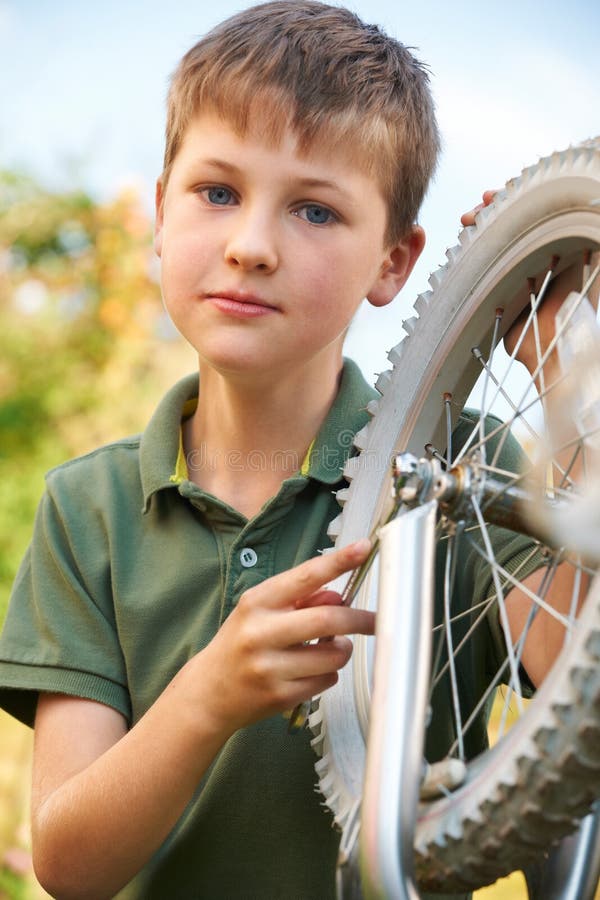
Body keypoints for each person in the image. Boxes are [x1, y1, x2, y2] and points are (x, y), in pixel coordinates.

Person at [0, 2, 584, 898]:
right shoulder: (90, 508)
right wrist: (209, 696)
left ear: (393, 262)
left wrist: (562, 364)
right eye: (217, 192)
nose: (250, 247)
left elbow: (577, 664)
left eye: (314, 210)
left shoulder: (454, 471)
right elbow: (69, 865)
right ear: (161, 213)